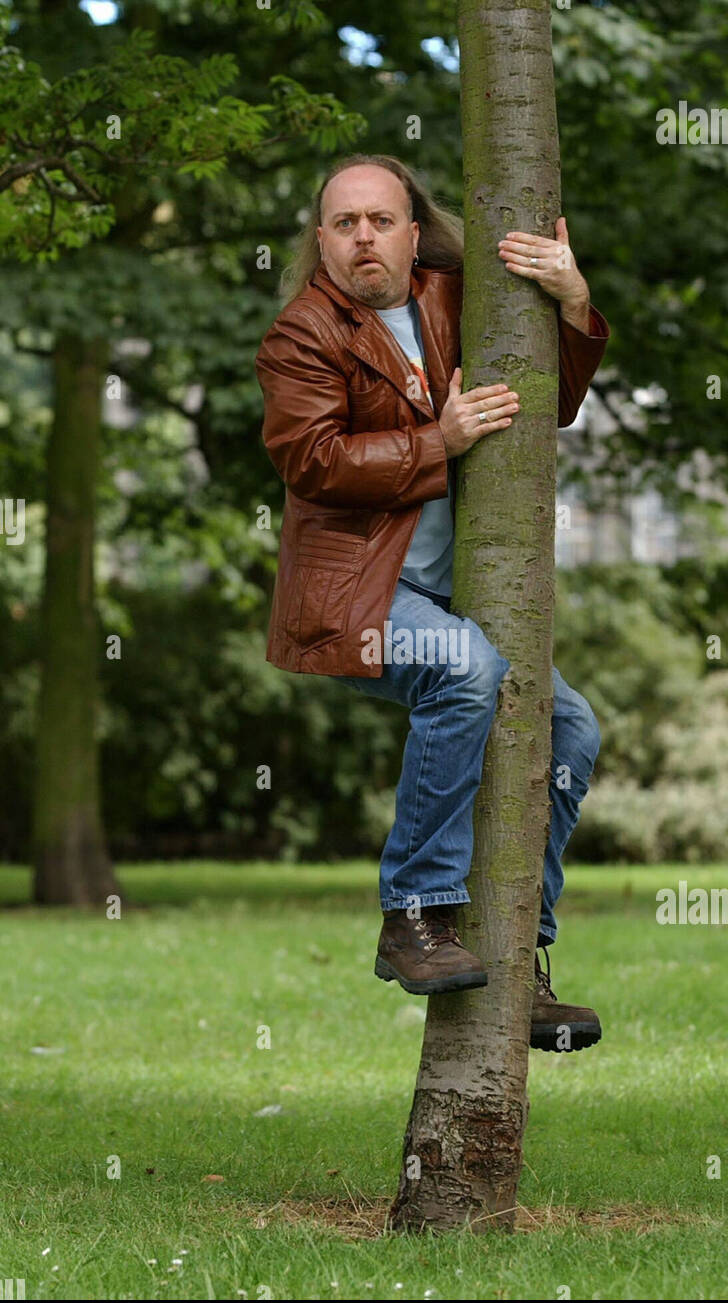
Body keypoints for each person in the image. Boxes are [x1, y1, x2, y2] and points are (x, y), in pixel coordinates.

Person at [255, 154, 610, 1052]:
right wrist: (435, 440)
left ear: (414, 232)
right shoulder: (301, 335)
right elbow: (312, 461)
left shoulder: (460, 302)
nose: (363, 238)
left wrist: (572, 301)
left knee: (570, 731)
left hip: (452, 594)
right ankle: (410, 913)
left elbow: (547, 402)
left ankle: (517, 954)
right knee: (467, 671)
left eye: (380, 220)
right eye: (344, 224)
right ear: (322, 240)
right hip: (356, 596)